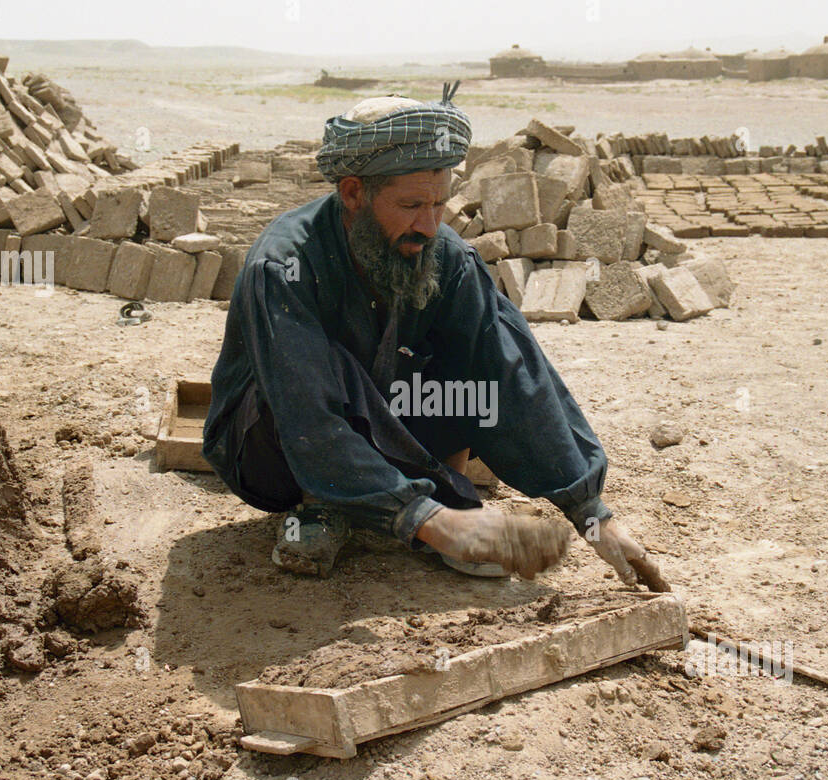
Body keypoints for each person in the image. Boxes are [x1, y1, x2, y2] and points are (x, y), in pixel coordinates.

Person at [203, 85, 663, 588]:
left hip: (391, 428)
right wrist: (436, 527)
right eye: (411, 204)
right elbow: (303, 409)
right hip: (273, 448)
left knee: (468, 359)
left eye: (440, 204)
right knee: (327, 370)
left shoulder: (444, 254)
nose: (428, 225)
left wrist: (592, 514)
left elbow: (512, 373)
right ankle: (327, 503)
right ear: (354, 193)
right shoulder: (284, 263)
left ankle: (436, 495)